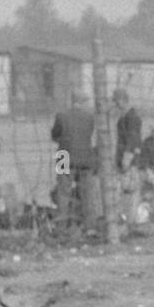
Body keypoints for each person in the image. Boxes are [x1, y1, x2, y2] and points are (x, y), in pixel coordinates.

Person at [51, 92, 98, 229]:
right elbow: (89, 134)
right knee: (87, 193)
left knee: (62, 191)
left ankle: (61, 224)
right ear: (82, 102)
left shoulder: (61, 116)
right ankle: (90, 225)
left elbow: (55, 135)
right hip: (85, 156)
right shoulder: (89, 117)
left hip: (63, 155)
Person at [112, 89, 142, 173]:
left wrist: (127, 158)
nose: (116, 105)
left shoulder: (133, 117)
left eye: (117, 101)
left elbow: (133, 139)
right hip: (122, 156)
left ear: (123, 100)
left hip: (130, 159)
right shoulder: (122, 117)